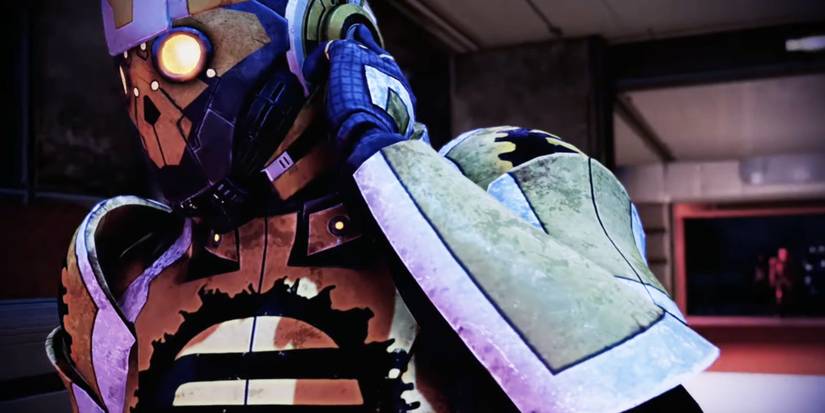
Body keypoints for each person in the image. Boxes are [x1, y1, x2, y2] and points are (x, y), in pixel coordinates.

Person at [46, 1, 716, 411]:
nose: (151, 101)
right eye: (131, 72)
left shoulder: (505, 179)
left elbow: (638, 391)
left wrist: (391, 166)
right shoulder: (127, 266)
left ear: (311, 29)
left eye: (178, 56)